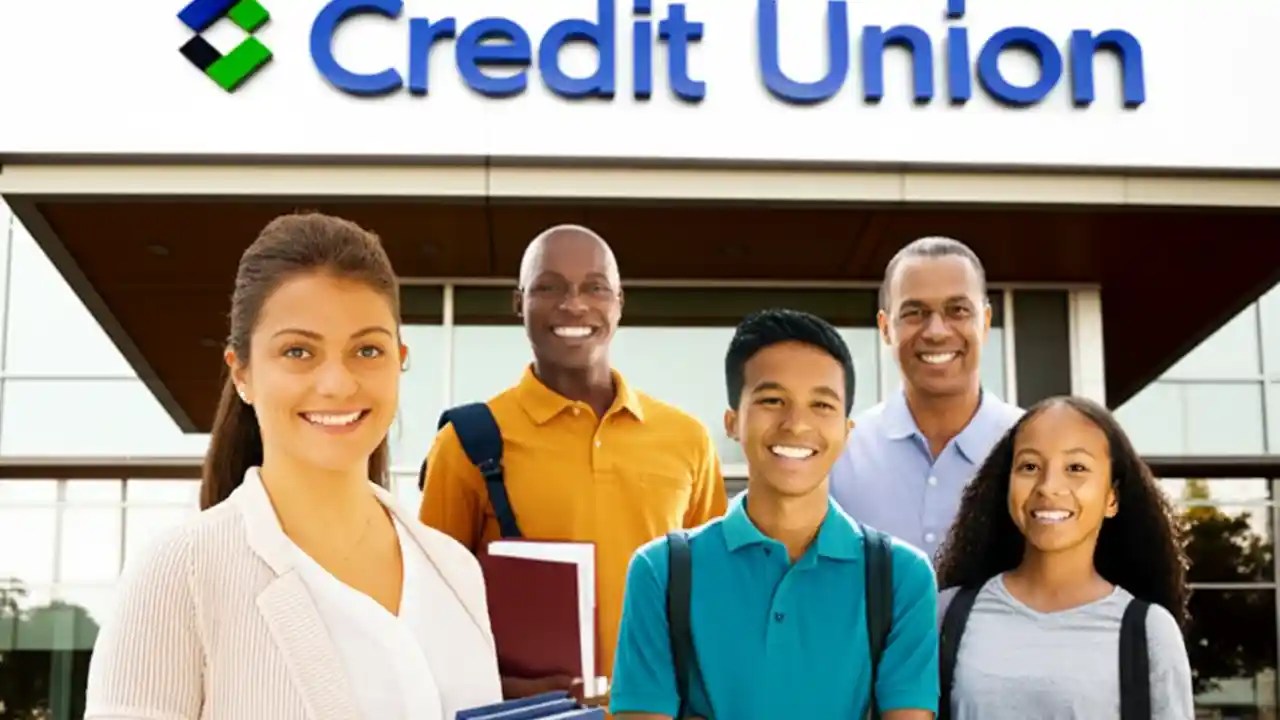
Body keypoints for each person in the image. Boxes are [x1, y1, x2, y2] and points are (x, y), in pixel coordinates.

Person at [84, 213, 502, 719]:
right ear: (242, 373)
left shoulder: (455, 570)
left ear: (400, 359)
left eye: (367, 349)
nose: (337, 383)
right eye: (298, 351)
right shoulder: (179, 574)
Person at [418, 224, 728, 699]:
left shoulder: (687, 439)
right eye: (549, 287)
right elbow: (431, 612)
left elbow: (715, 595)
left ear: (619, 302)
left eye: (595, 287)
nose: (574, 304)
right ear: (518, 303)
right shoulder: (467, 442)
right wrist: (496, 686)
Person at [610, 309, 939, 720]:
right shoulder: (662, 570)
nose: (796, 424)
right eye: (772, 400)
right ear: (732, 422)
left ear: (847, 431)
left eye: (821, 404)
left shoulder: (901, 576)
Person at [933, 395, 1193, 720]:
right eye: (1029, 466)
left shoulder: (1149, 631)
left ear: (1112, 498)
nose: (1048, 486)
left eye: (1076, 468)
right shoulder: (945, 615)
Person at [830, 236, 1023, 558]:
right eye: (914, 313)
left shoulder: (1033, 445)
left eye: (957, 311)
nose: (936, 332)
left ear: (986, 322)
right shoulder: (841, 453)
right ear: (885, 328)